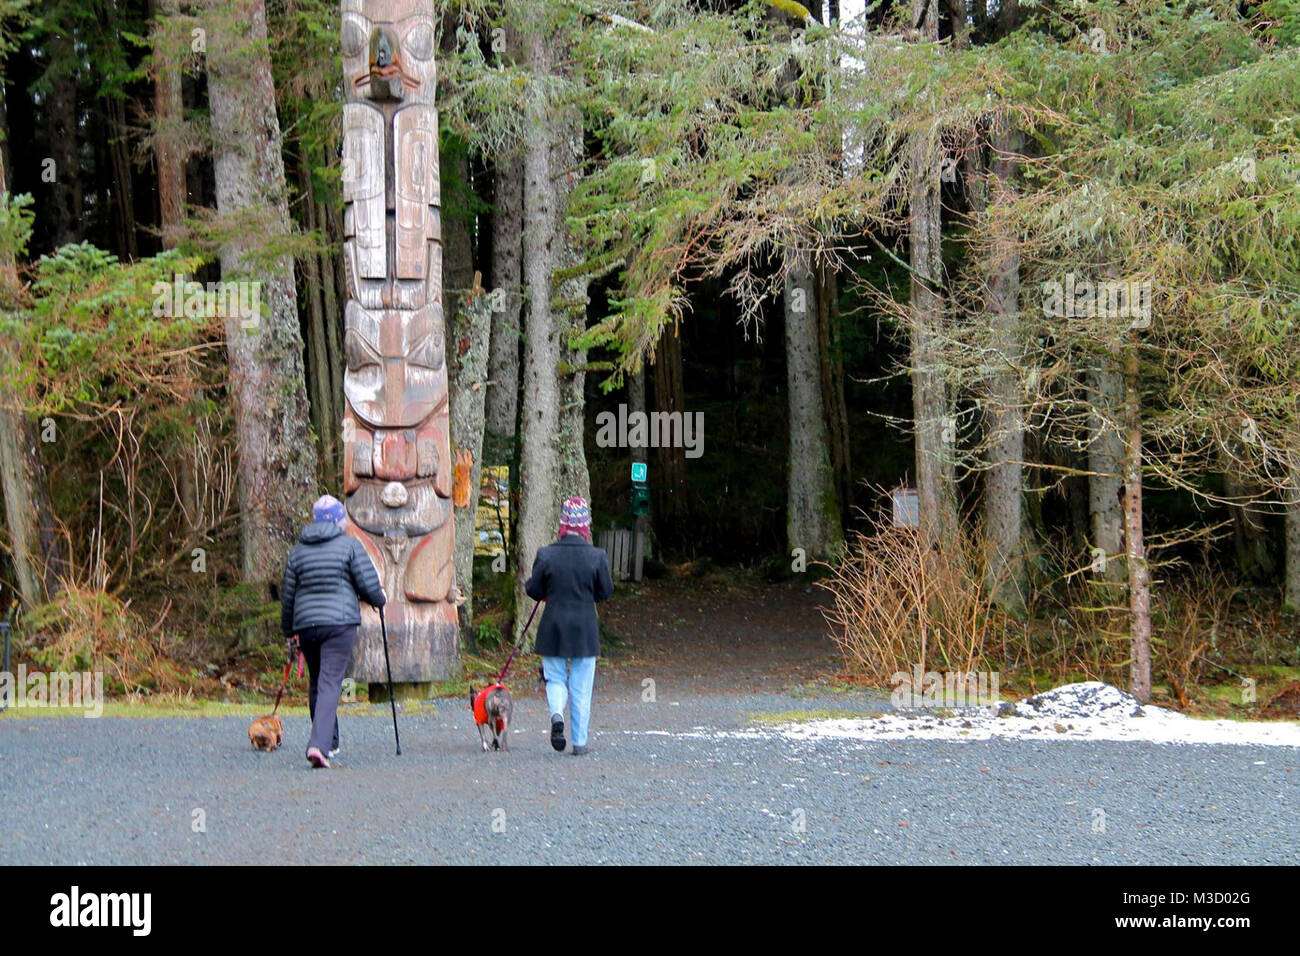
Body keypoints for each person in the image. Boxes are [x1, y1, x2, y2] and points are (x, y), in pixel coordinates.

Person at [280, 494, 385, 768]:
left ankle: (331, 741)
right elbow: (368, 583)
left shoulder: (298, 551)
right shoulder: (349, 546)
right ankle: (318, 745)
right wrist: (379, 599)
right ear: (339, 521)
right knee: (329, 683)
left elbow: (288, 595)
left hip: (307, 625)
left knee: (318, 681)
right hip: (339, 624)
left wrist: (288, 629)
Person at [525, 496, 614, 755]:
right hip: (585, 630)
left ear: (562, 523)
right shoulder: (597, 556)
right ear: (585, 524)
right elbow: (605, 591)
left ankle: (557, 716)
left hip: (553, 627)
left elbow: (533, 589)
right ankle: (580, 743)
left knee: (554, 677)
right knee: (581, 687)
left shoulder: (546, 554)